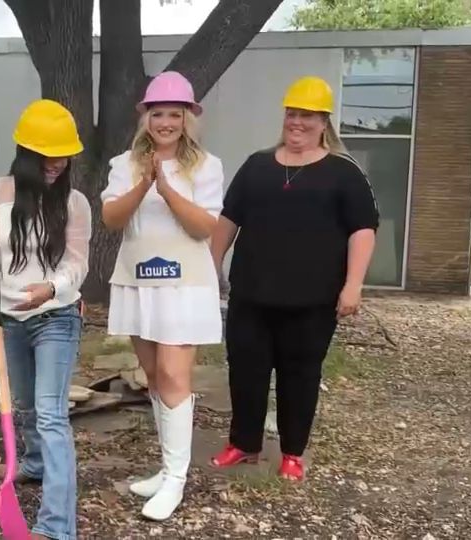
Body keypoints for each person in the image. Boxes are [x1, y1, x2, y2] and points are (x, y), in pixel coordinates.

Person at [209, 76, 379, 481]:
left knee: (299, 375)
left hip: (312, 300)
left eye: (307, 116)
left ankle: (292, 452)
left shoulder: (343, 172)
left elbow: (363, 230)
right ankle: (244, 444)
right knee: (245, 371)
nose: (297, 122)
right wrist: (210, 265)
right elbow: (229, 218)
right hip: (251, 294)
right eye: (291, 113)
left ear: (323, 122)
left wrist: (353, 285)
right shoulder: (257, 165)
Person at [100, 71, 225, 521]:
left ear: (188, 118)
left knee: (174, 374)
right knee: (154, 376)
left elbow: (204, 227)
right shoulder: (124, 164)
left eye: (175, 113)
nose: (166, 122)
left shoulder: (206, 166)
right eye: (158, 114)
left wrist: (167, 189)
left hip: (184, 283)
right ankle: (166, 467)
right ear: (146, 118)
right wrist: (144, 182)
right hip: (139, 279)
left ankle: (176, 479)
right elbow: (112, 219)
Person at [0, 99, 91, 540]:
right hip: (10, 318)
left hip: (56, 316)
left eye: (63, 156)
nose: (56, 164)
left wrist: (51, 288)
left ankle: (57, 526)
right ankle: (34, 464)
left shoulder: (74, 203)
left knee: (51, 415)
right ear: (25, 153)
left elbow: (77, 263)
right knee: (25, 405)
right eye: (46, 156)